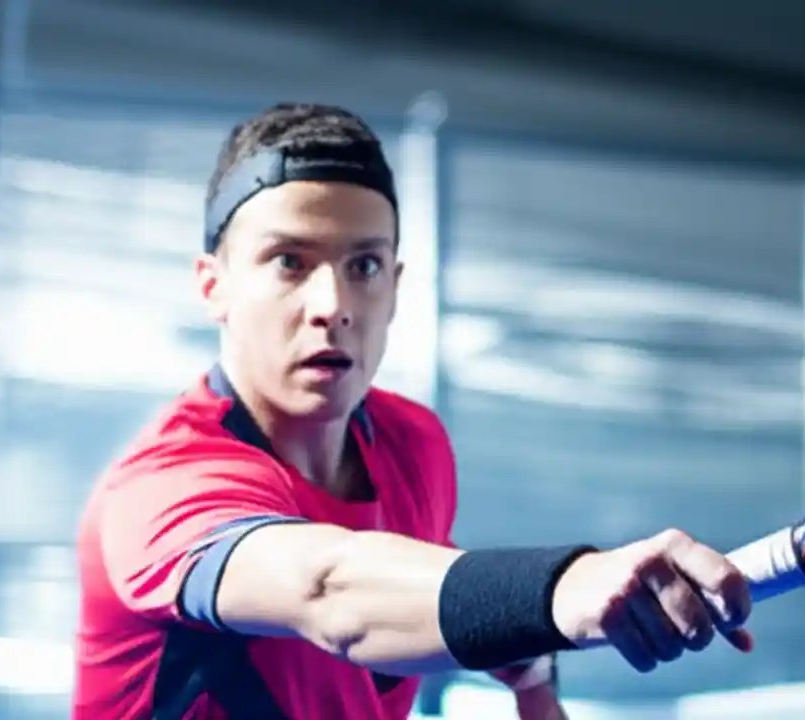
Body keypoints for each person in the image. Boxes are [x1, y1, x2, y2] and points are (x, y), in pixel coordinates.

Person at [71, 102, 754, 720]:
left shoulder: (409, 442)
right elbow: (329, 588)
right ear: (214, 287)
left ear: (394, 288)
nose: (331, 304)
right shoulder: (162, 488)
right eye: (288, 261)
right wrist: (564, 587)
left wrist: (531, 672)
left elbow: (423, 581)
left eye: (363, 266)